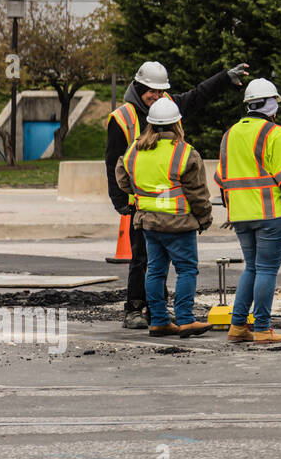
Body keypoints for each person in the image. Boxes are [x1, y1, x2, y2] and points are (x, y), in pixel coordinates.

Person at [105, 59, 248, 329]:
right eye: (152, 92)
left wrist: (223, 79)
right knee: (142, 260)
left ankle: (157, 314)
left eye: (160, 92)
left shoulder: (166, 105)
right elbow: (113, 162)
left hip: (160, 206)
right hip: (142, 205)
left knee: (157, 265)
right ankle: (136, 309)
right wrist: (122, 200)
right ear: (138, 87)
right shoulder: (122, 118)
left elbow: (197, 96)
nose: (157, 97)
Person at [114, 99, 213, 338]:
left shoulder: (135, 150)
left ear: (149, 124)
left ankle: (158, 320)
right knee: (187, 270)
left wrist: (143, 192)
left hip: (148, 222)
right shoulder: (185, 152)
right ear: (177, 123)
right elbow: (197, 193)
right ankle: (186, 320)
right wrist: (204, 218)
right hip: (179, 222)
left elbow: (122, 178)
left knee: (155, 271)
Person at [214, 79, 281, 344]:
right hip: (271, 213)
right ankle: (263, 328)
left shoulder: (230, 134)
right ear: (270, 104)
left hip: (241, 215)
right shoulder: (274, 132)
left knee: (252, 268)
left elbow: (222, 178)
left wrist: (231, 208)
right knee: (266, 270)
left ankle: (238, 326)